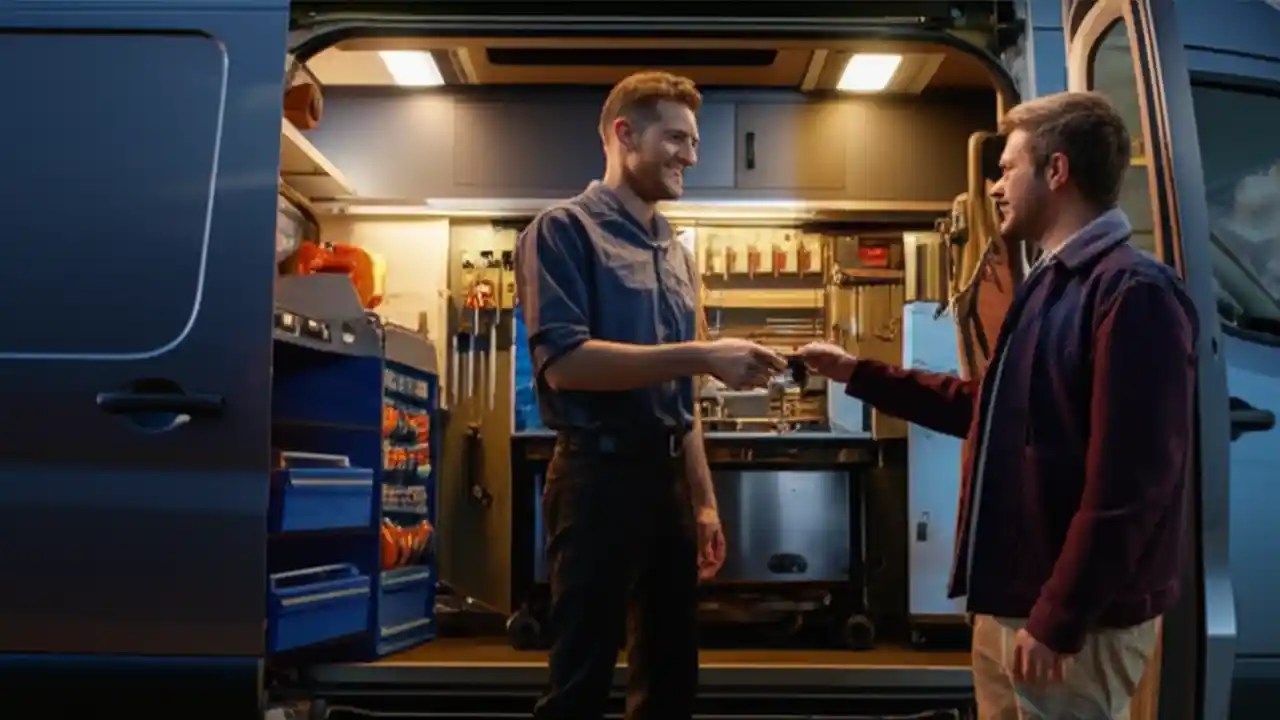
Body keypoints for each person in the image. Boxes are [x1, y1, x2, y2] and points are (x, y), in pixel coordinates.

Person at [800, 91, 1198, 719]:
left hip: (1070, 625)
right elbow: (988, 410)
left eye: (1007, 168)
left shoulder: (1131, 293)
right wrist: (857, 373)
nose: (993, 187)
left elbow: (1130, 486)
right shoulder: (1050, 283)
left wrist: (1059, 616)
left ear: (1056, 170)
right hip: (1014, 606)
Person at [514, 70, 787, 720]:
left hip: (668, 482)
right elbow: (566, 365)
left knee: (670, 680)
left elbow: (681, 397)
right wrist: (705, 354)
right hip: (596, 476)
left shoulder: (676, 252)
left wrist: (705, 503)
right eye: (676, 139)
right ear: (624, 134)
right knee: (579, 681)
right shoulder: (562, 230)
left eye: (695, 143)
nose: (690, 156)